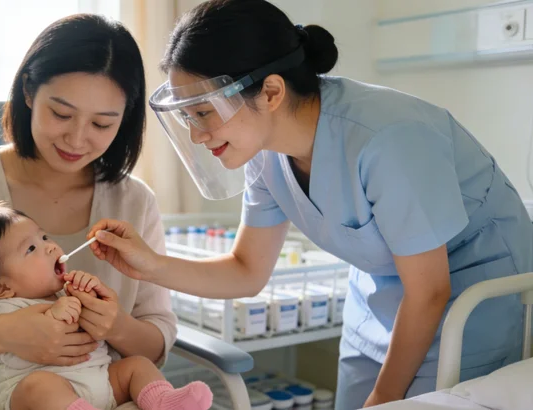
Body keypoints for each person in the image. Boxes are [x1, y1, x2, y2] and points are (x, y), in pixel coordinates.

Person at [85, 0, 533, 409]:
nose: (197, 136)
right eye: (187, 116)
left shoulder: (388, 139)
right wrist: (149, 264)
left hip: (465, 305)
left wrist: (386, 396)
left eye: (203, 113)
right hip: (378, 303)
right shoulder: (264, 153)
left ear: (272, 92)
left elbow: (430, 290)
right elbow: (246, 271)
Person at [0, 14, 177, 410]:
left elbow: (156, 341)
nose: (77, 139)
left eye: (102, 123)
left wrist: (116, 326)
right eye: (61, 114)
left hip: (107, 396)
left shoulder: (134, 203)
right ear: (28, 91)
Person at [0, 199, 212, 410]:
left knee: (137, 366)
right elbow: (41, 327)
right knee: (39, 387)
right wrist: (57, 313)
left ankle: (164, 401)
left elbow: (101, 325)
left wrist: (96, 300)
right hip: (38, 398)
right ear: (1, 287)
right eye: (31, 249)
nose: (49, 247)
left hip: (101, 383)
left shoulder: (64, 292)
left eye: (44, 238)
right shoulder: (3, 308)